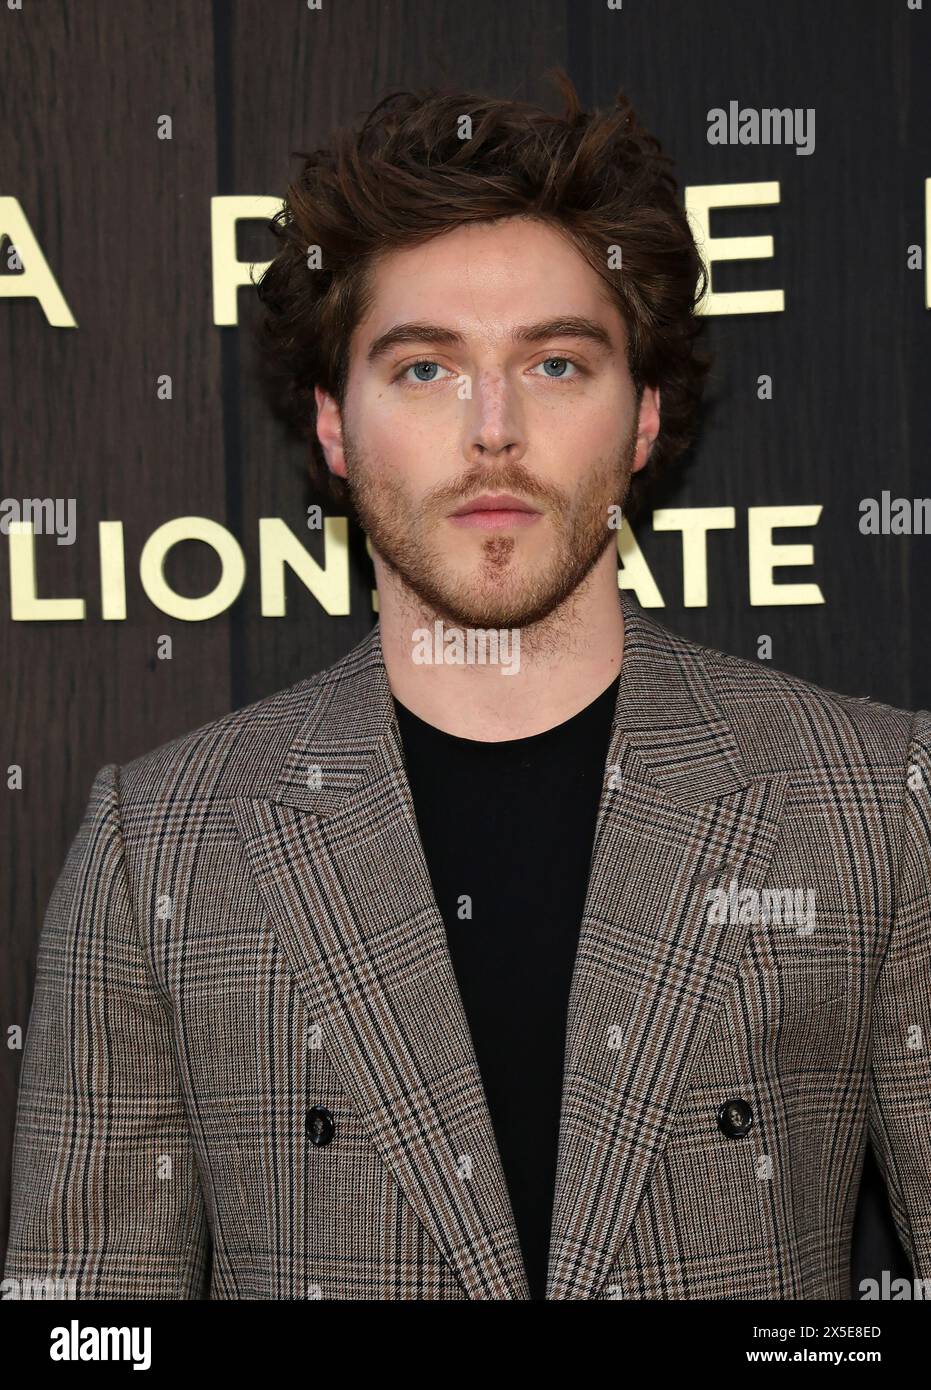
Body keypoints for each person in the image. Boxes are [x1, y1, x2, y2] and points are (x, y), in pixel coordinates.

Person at [4, 73, 930, 1301]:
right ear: (334, 426)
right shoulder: (158, 852)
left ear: (643, 417)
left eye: (554, 364)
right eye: (425, 370)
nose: (492, 429)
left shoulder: (877, 807)